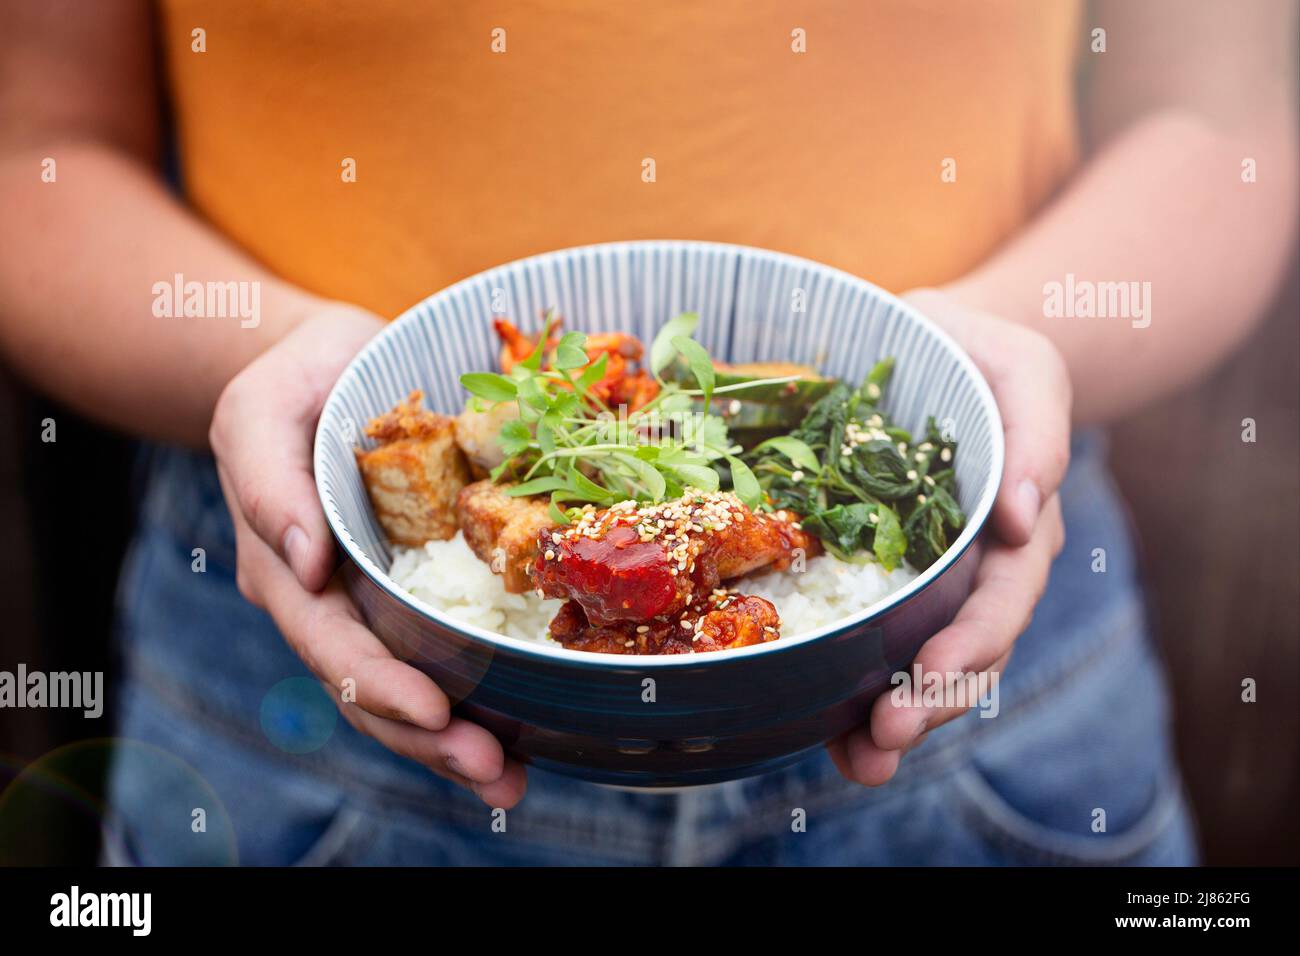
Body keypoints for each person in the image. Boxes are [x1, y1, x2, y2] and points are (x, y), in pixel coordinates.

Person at [1, 0, 1294, 865]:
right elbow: (33, 149)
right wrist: (276, 362)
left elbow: (1223, 121)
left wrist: (983, 358)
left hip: (979, 661)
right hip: (303, 653)